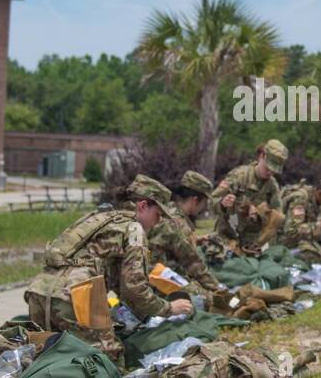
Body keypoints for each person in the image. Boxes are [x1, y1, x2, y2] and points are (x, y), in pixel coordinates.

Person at [25, 174, 192, 364]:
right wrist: (169, 308)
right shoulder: (134, 230)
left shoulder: (101, 218)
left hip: (39, 291)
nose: (158, 222)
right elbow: (134, 287)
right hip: (74, 296)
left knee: (43, 356)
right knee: (109, 360)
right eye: (158, 214)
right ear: (143, 206)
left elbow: (115, 280)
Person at [148, 170, 224, 298]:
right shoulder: (180, 225)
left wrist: (197, 239)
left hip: (151, 275)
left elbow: (171, 244)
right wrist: (219, 288)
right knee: (209, 299)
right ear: (195, 200)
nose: (203, 208)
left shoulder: (169, 211)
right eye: (204, 203)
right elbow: (194, 265)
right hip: (160, 282)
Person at [211, 140, 288, 254]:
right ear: (261, 156)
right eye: (268, 167)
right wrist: (222, 203)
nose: (270, 173)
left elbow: (277, 218)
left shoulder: (272, 186)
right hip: (228, 237)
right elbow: (212, 201)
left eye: (274, 170)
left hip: (252, 243)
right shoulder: (239, 176)